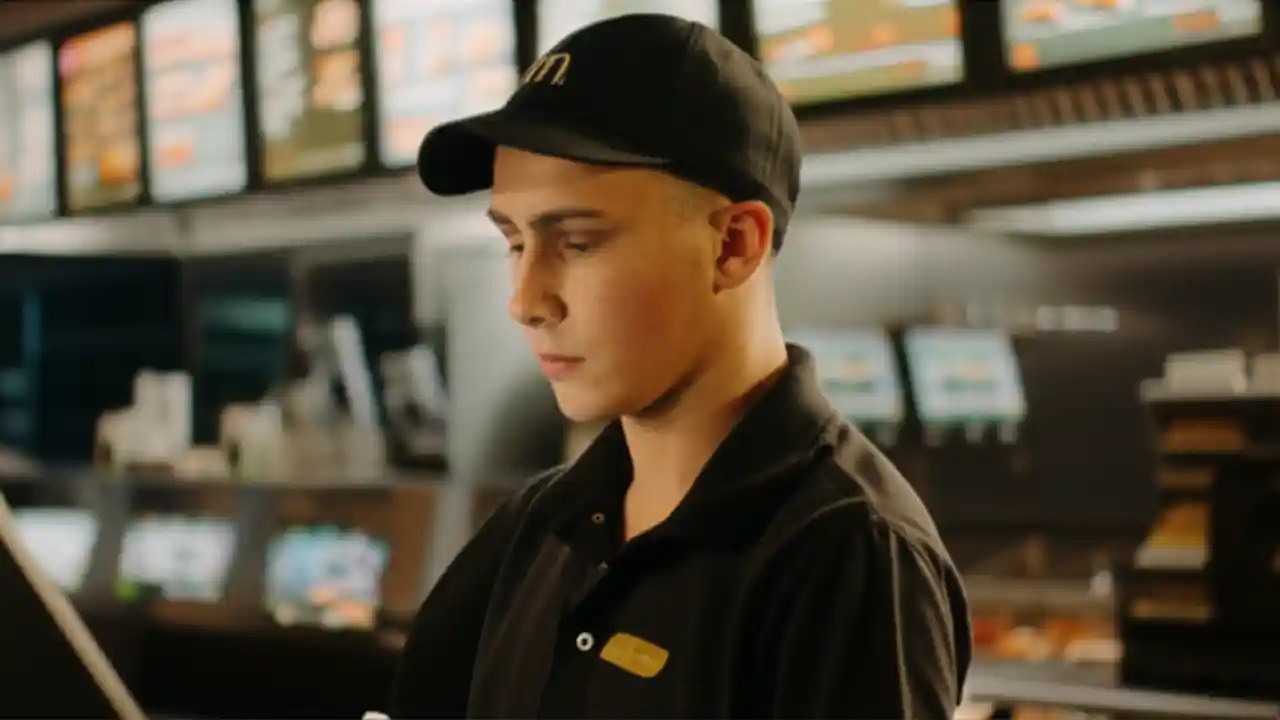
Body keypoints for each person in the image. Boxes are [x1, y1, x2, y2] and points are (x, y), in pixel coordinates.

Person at [390, 13, 970, 719]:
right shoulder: (536, 527)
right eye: (514, 243)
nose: (526, 300)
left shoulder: (849, 554)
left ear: (733, 245)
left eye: (576, 242)